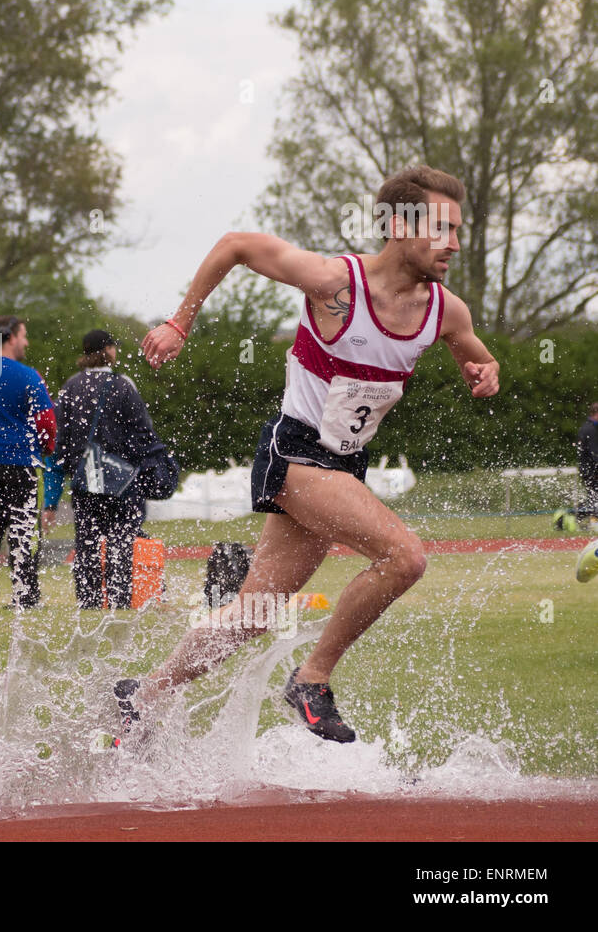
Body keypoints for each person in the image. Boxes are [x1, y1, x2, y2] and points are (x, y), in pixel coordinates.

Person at [120, 166, 499, 743]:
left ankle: (141, 695)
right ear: (398, 225)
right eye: (442, 229)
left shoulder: (446, 311)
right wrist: (180, 322)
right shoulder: (334, 283)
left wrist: (484, 371)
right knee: (404, 558)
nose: (454, 243)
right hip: (296, 453)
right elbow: (236, 245)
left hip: (343, 465)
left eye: (458, 229)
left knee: (252, 613)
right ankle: (312, 678)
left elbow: (473, 352)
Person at [52, 329, 177, 609]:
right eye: (113, 347)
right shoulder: (122, 384)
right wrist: (159, 465)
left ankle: (89, 600)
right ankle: (120, 599)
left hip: (85, 482)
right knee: (123, 540)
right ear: (107, 350)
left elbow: (59, 440)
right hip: (121, 481)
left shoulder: (70, 387)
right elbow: (142, 434)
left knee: (87, 544)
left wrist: (66, 474)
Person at [0, 315, 56, 609]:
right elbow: (47, 422)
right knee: (22, 532)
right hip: (19, 464)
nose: (26, 342)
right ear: (11, 337)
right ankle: (24, 595)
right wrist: (47, 448)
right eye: (24, 335)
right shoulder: (29, 376)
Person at [576, 403, 598, 521]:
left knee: (593, 498)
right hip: (591, 471)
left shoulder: (587, 427)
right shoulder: (590, 429)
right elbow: (594, 453)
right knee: (594, 499)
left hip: (587, 469)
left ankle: (576, 516)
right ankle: (573, 516)